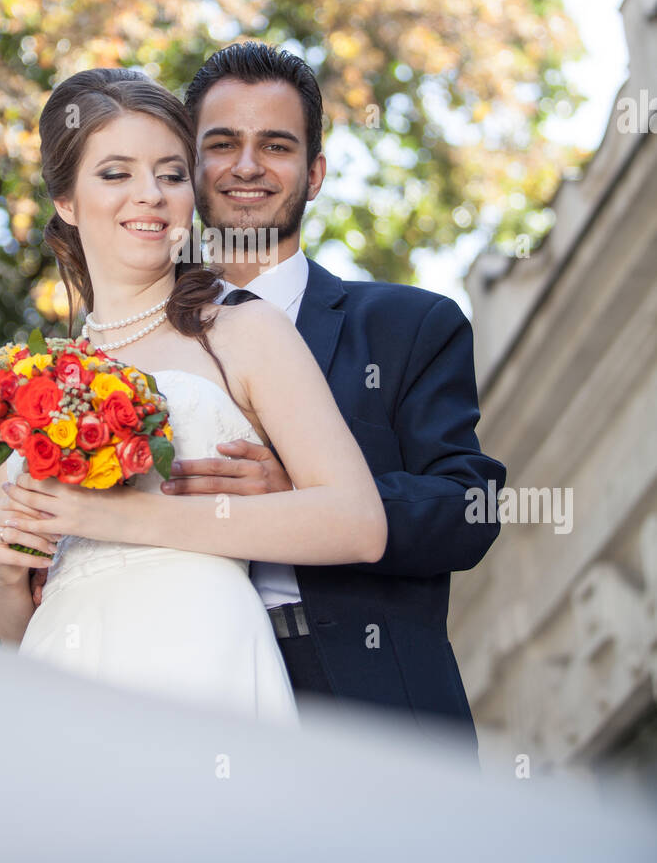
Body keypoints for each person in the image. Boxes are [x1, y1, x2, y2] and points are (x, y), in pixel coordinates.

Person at [0, 67, 387, 724]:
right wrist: (6, 580)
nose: (151, 196)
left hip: (202, 659)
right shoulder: (42, 388)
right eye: (116, 174)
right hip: (64, 689)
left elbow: (358, 523)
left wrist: (124, 520)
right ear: (65, 199)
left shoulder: (241, 327)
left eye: (171, 174)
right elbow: (26, 637)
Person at [157, 40, 506, 754]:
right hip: (181, 691)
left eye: (276, 146)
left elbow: (471, 505)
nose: (247, 166)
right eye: (221, 144)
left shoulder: (411, 327)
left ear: (313, 174)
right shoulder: (134, 353)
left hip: (361, 691)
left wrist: (307, 496)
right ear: (188, 170)